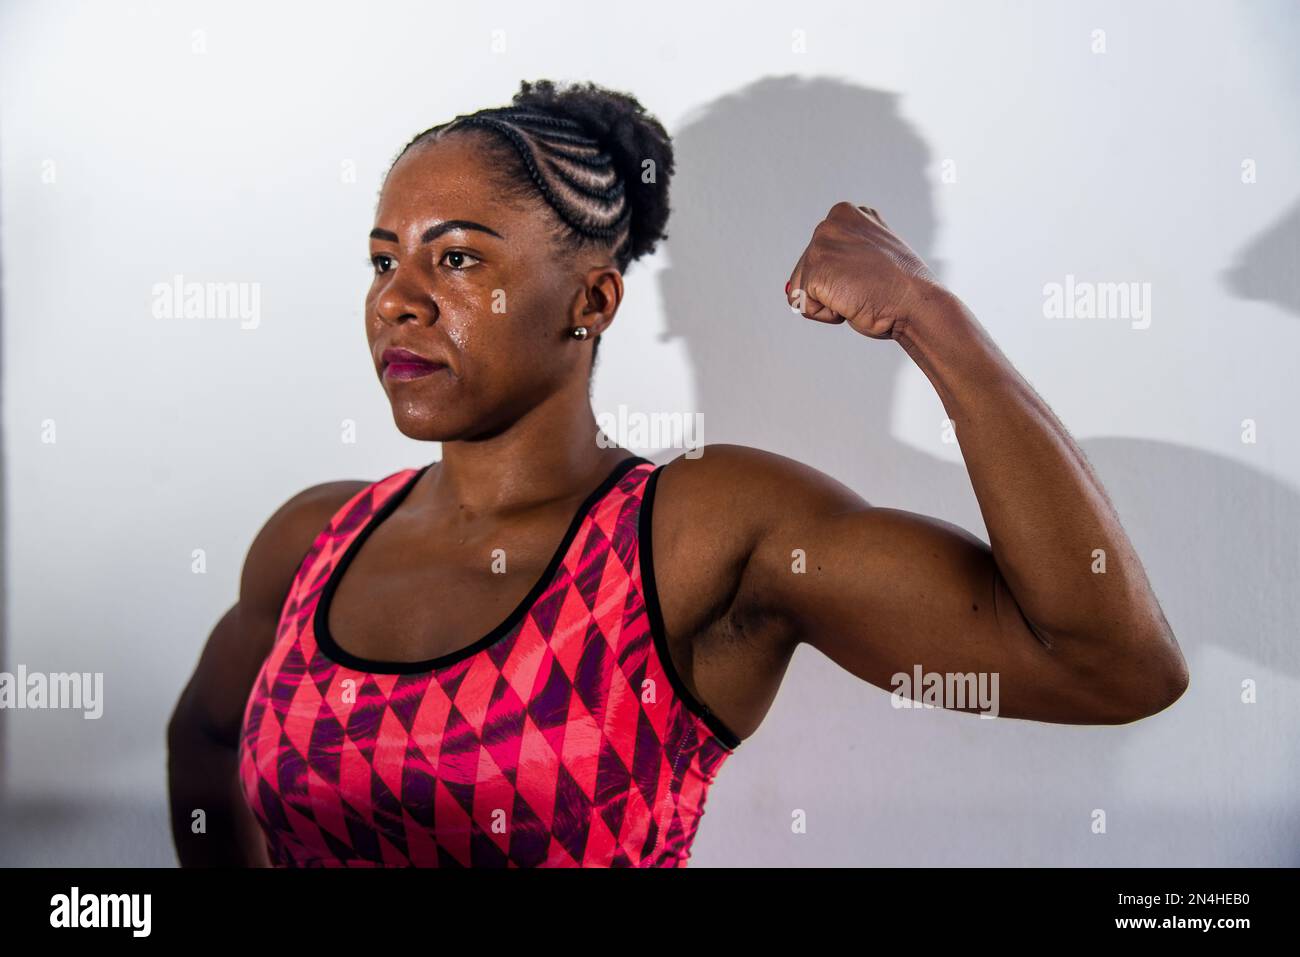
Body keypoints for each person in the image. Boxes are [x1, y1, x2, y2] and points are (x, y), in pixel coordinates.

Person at [167, 78, 1188, 868]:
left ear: (594, 301)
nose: (398, 300)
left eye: (460, 259)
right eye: (384, 260)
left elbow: (1114, 666)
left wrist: (932, 318)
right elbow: (204, 737)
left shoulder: (699, 533)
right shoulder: (315, 537)